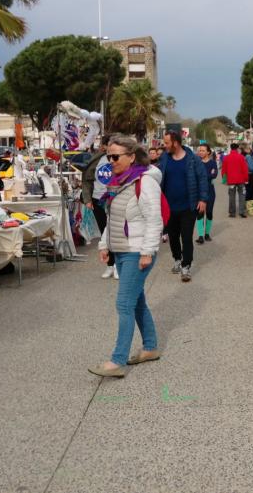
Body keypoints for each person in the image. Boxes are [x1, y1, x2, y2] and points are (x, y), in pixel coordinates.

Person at [89, 135, 164, 378]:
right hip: (121, 250)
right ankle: (150, 347)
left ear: (131, 157)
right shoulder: (118, 182)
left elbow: (154, 220)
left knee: (124, 304)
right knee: (136, 301)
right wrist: (104, 244)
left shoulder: (145, 182)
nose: (111, 161)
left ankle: (117, 360)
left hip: (136, 252)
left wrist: (147, 252)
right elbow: (113, 218)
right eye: (108, 156)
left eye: (115, 157)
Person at [158, 131, 208, 282]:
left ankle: (186, 266)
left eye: (167, 143)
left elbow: (202, 179)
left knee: (186, 237)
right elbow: (158, 176)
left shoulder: (193, 159)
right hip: (169, 207)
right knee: (173, 237)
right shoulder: (164, 158)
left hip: (188, 206)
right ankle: (177, 259)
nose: (165, 145)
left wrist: (203, 199)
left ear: (175, 143)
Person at [82, 141, 118, 279]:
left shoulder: (120, 158)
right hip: (98, 200)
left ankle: (118, 265)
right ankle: (110, 265)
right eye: (106, 145)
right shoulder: (97, 159)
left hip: (115, 199)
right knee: (105, 233)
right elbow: (87, 180)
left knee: (116, 233)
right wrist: (87, 199)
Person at [196, 143, 217, 244]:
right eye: (200, 150)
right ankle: (200, 235)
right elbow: (195, 176)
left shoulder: (213, 163)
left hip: (210, 191)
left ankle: (207, 234)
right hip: (198, 191)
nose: (200, 152)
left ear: (208, 152)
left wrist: (202, 175)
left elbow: (215, 174)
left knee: (209, 212)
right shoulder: (196, 163)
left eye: (203, 150)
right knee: (200, 212)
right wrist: (208, 174)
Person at [221, 142, 249, 218]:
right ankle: (241, 212)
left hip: (231, 180)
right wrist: (246, 179)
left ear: (231, 148)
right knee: (242, 195)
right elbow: (245, 169)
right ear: (237, 149)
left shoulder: (226, 157)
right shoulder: (241, 157)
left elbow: (223, 170)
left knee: (231, 196)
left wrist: (224, 179)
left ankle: (232, 213)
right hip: (241, 180)